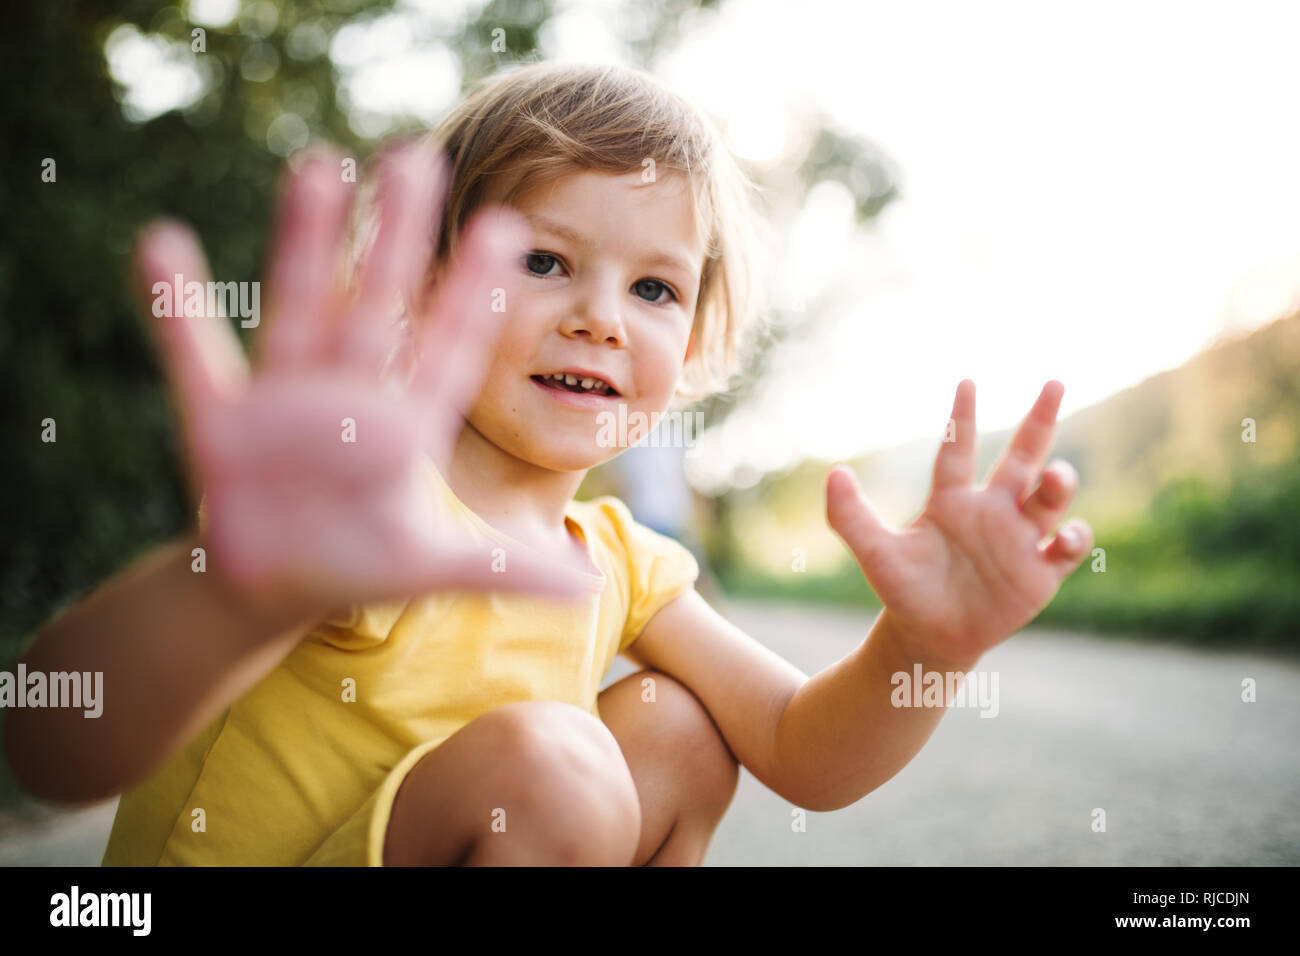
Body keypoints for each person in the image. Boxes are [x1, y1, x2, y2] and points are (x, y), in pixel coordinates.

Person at [4, 62, 1093, 866]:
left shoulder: (620, 558)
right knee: (560, 767)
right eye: (543, 261)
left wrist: (927, 645)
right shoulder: (359, 509)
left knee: (675, 729)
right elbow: (52, 741)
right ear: (428, 284)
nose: (600, 319)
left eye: (654, 288)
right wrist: (237, 588)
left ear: (700, 337)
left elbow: (803, 748)